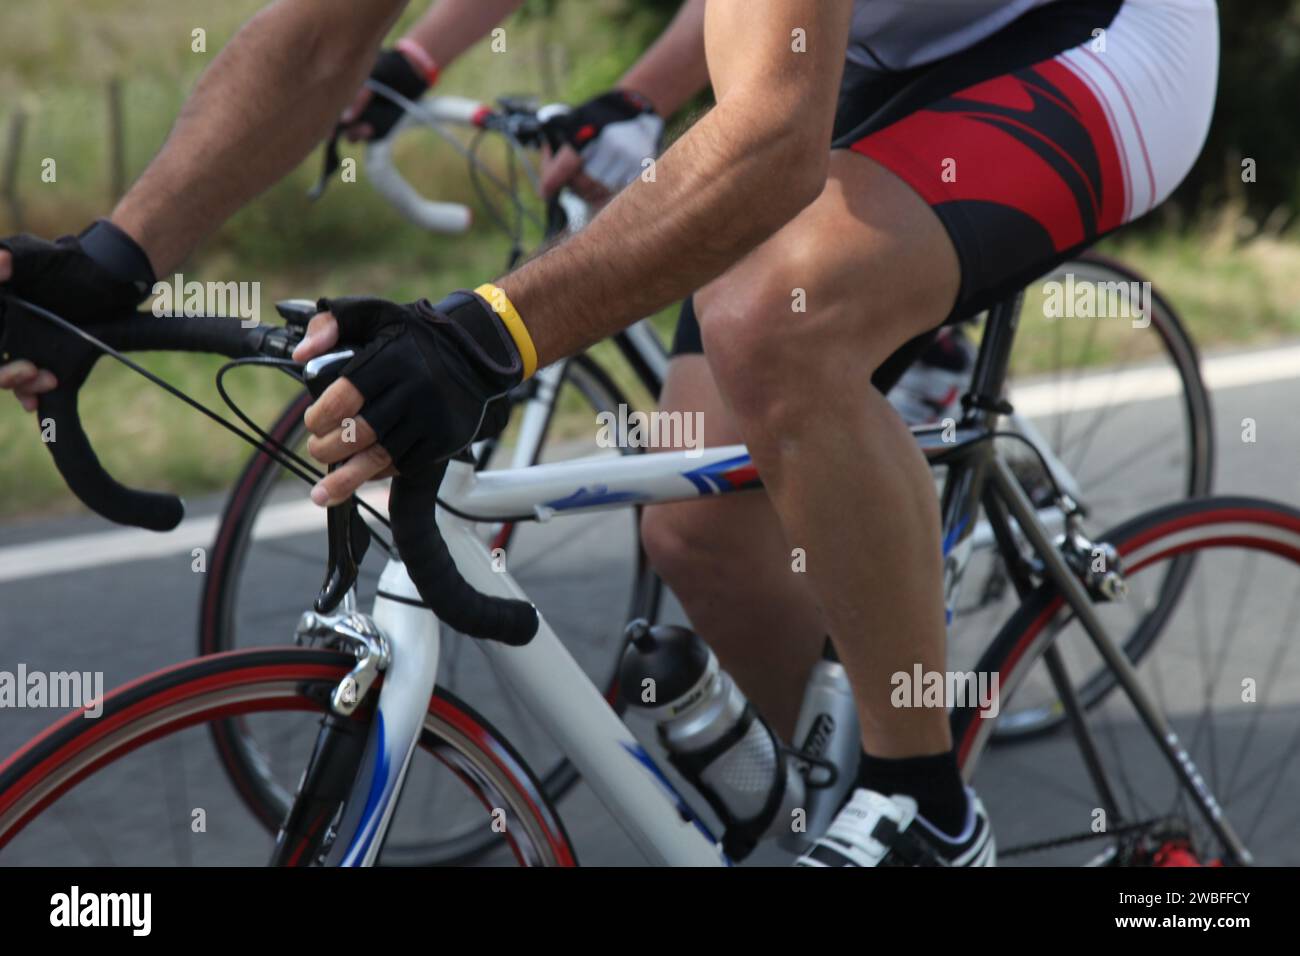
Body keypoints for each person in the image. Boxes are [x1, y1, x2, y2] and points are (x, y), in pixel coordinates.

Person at [0, 0, 1219, 867]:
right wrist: (115, 260)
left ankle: (929, 809)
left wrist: (484, 336)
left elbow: (775, 137)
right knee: (695, 530)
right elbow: (323, 35)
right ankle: (813, 802)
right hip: (881, 47)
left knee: (772, 326)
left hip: (1094, 32)